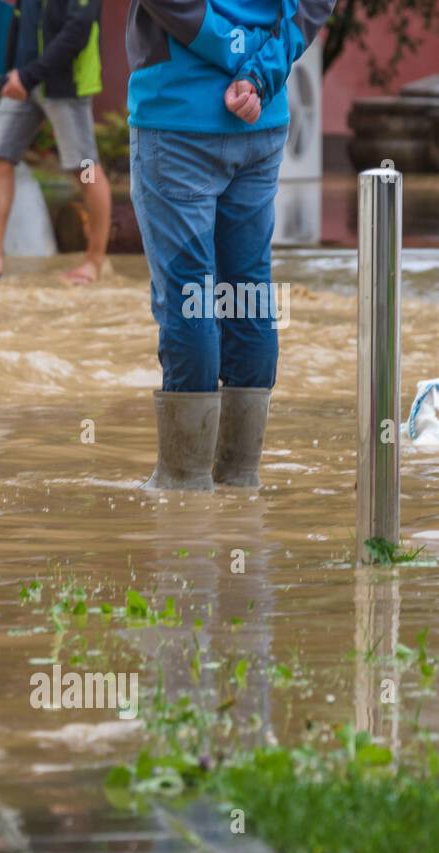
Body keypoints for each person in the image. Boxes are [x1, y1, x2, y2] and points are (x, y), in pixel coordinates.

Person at [129, 0, 335, 490]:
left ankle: (183, 486)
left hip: (179, 114)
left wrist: (231, 51)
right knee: (248, 291)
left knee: (190, 297)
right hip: (260, 117)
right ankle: (241, 482)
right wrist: (259, 73)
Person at [0, 0, 111, 285]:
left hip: (66, 82)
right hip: (24, 82)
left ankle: (94, 262)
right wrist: (11, 74)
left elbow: (77, 30)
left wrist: (29, 75)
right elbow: (21, 19)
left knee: (85, 168)